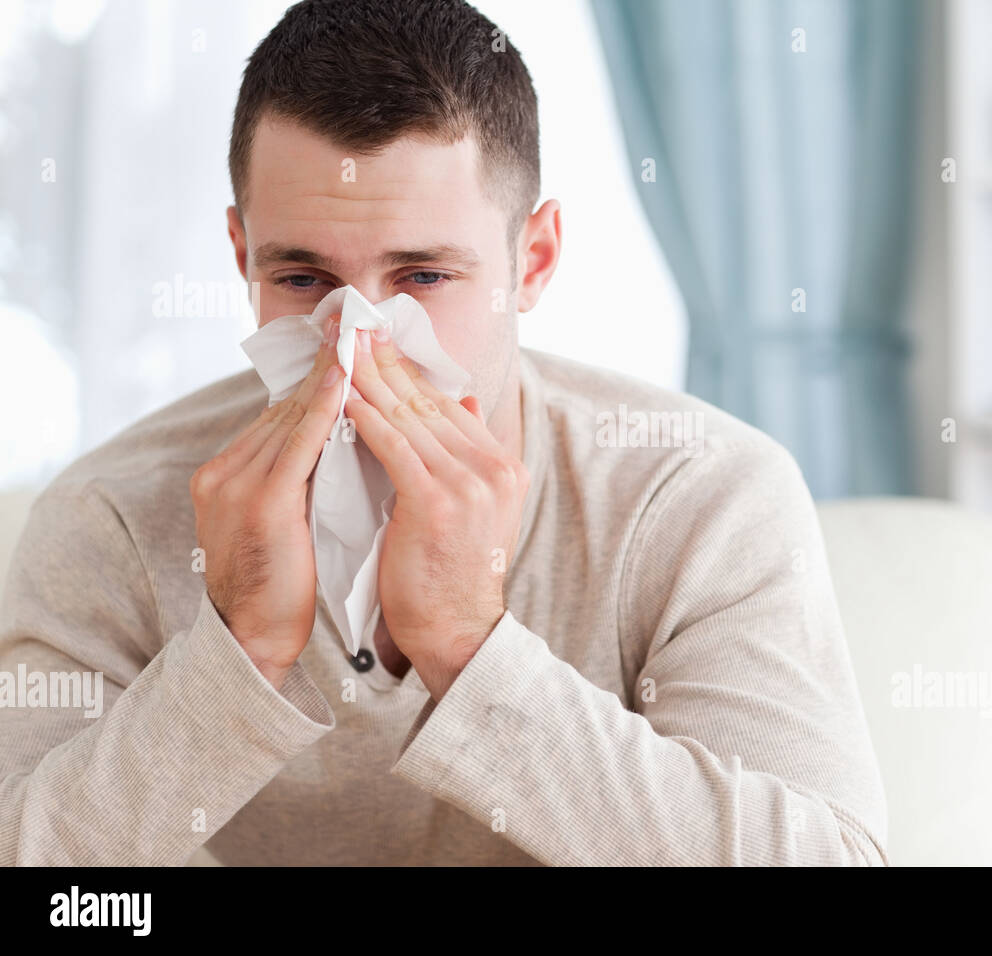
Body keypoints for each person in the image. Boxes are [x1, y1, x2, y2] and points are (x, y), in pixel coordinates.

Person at [0, 0, 887, 866]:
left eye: (422, 276)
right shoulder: (110, 516)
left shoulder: (701, 497)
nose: (357, 341)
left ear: (531, 261)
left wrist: (470, 646)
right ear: (242, 257)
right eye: (304, 279)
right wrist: (239, 652)